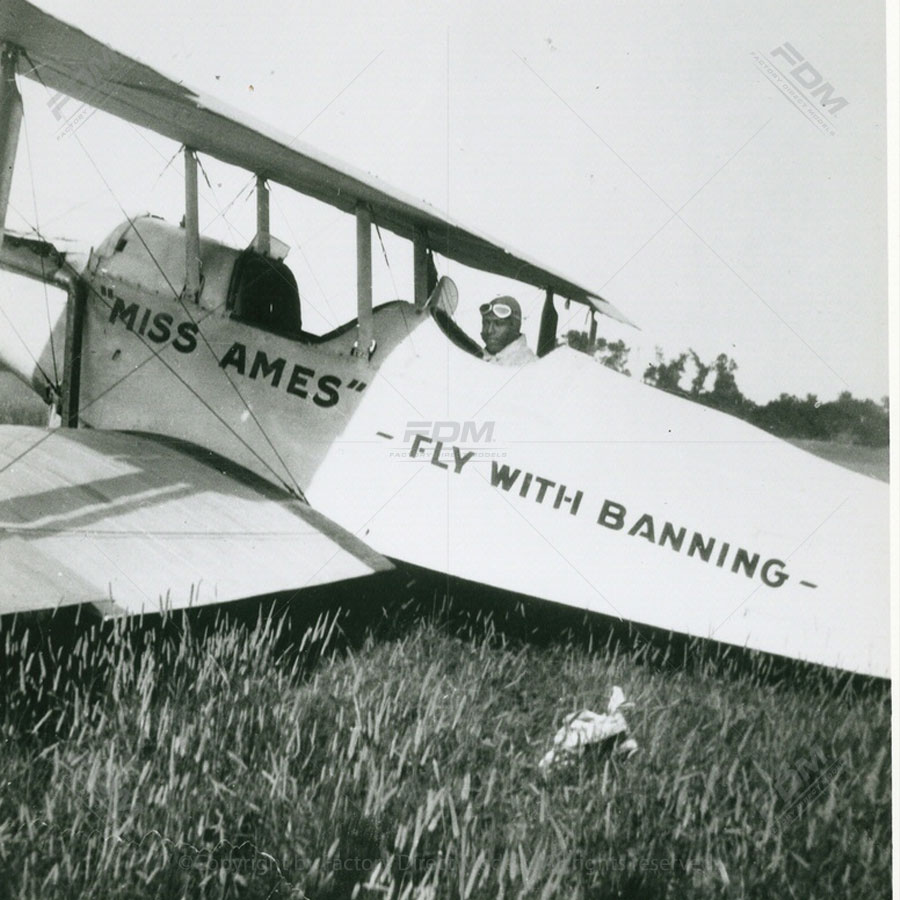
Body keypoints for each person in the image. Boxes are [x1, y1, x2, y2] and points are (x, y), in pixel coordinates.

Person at [480, 296, 536, 365]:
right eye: (486, 323)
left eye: (498, 323)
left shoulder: (528, 363)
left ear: (515, 326)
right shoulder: (478, 356)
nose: (489, 331)